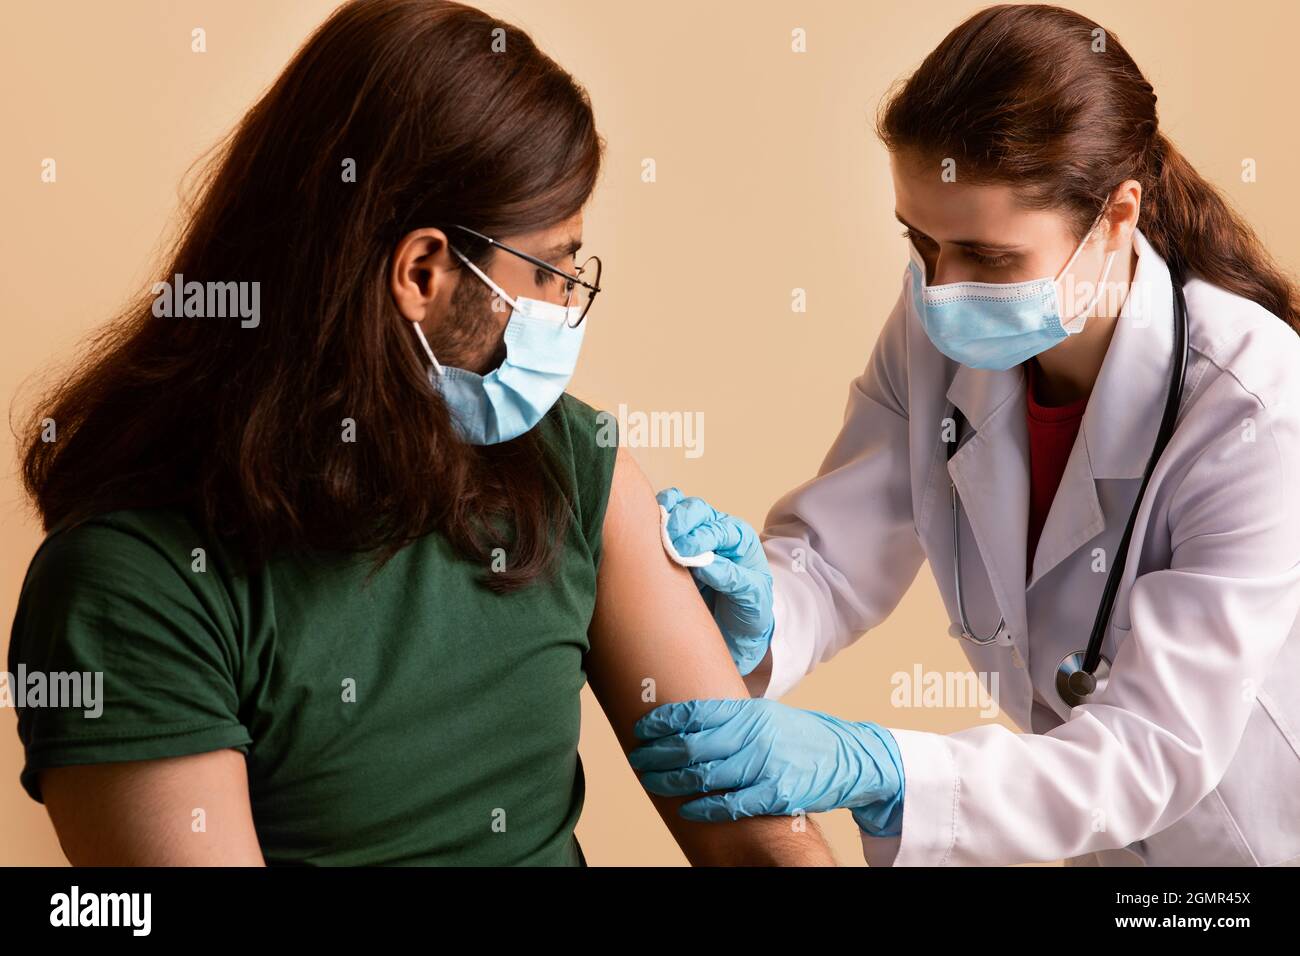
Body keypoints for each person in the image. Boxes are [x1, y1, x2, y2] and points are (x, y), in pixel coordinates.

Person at [7, 0, 835, 867]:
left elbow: (760, 837)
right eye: (553, 270)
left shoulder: (568, 463)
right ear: (423, 271)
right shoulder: (131, 583)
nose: (566, 308)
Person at [643, 3, 1300, 866]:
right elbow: (837, 560)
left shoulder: (1256, 403)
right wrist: (760, 611)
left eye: (987, 258)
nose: (942, 289)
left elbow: (1153, 745)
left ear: (1116, 217)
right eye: (921, 242)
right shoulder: (934, 328)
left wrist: (884, 768)